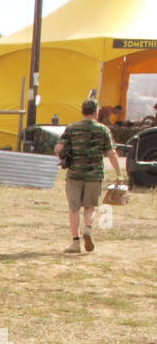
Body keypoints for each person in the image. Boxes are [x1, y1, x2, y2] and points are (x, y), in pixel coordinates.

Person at [54, 98, 123, 254]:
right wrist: (119, 175)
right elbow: (112, 154)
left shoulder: (72, 128)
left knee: (74, 209)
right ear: (96, 111)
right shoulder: (103, 130)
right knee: (90, 207)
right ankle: (88, 229)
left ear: (82, 111)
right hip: (94, 174)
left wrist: (64, 157)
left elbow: (58, 148)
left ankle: (75, 242)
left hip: (75, 174)